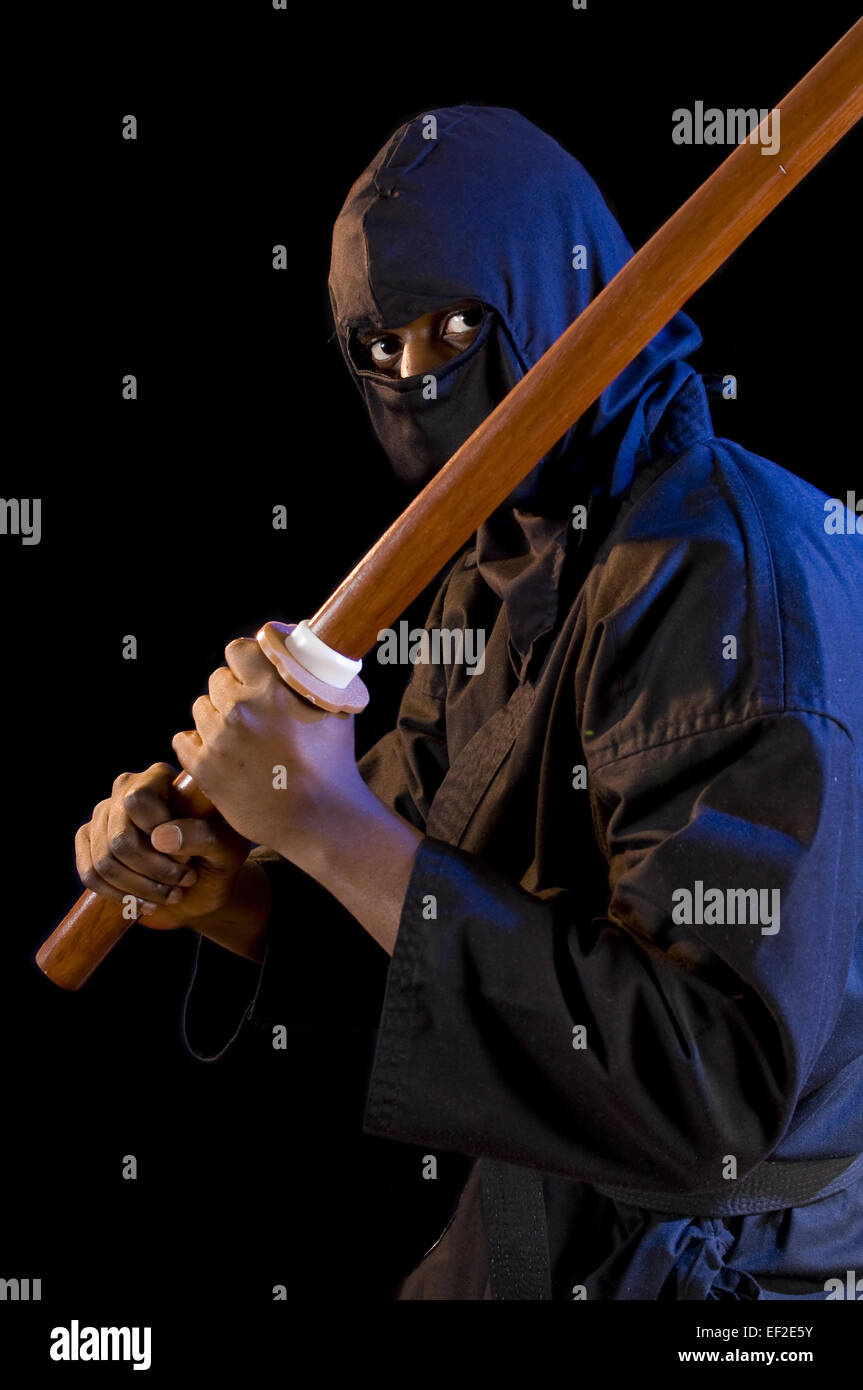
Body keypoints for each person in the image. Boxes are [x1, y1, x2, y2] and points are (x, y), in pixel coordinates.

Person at [75, 105, 863, 1300]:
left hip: (731, 1277)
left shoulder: (725, 573)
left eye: (455, 325)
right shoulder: (506, 556)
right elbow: (415, 901)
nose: (417, 379)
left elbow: (707, 1092)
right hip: (550, 1220)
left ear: (567, 286)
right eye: (379, 350)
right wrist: (234, 886)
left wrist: (322, 815)